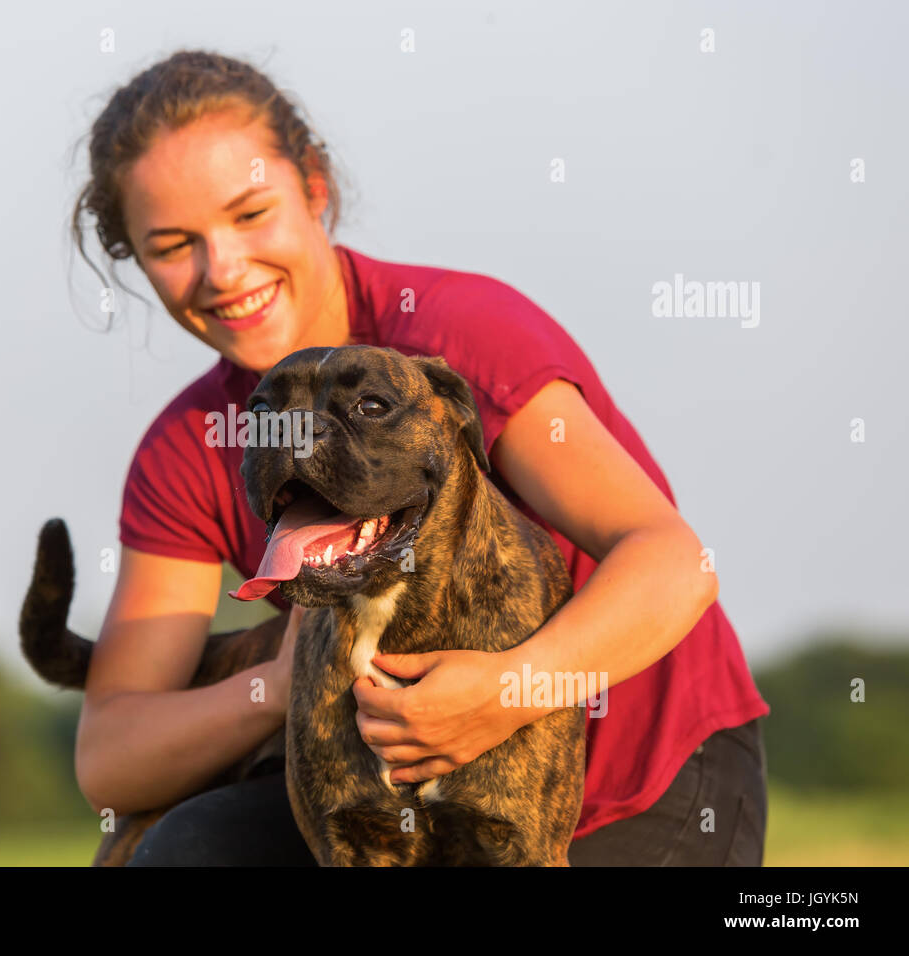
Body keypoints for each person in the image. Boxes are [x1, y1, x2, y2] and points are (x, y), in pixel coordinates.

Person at [67, 49, 769, 866]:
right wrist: (276, 686)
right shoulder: (195, 441)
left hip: (639, 776)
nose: (222, 269)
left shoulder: (456, 338)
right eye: (173, 243)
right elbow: (113, 755)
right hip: (379, 798)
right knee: (189, 851)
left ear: (315, 190)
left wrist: (509, 691)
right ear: (136, 260)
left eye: (250, 213)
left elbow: (677, 562)